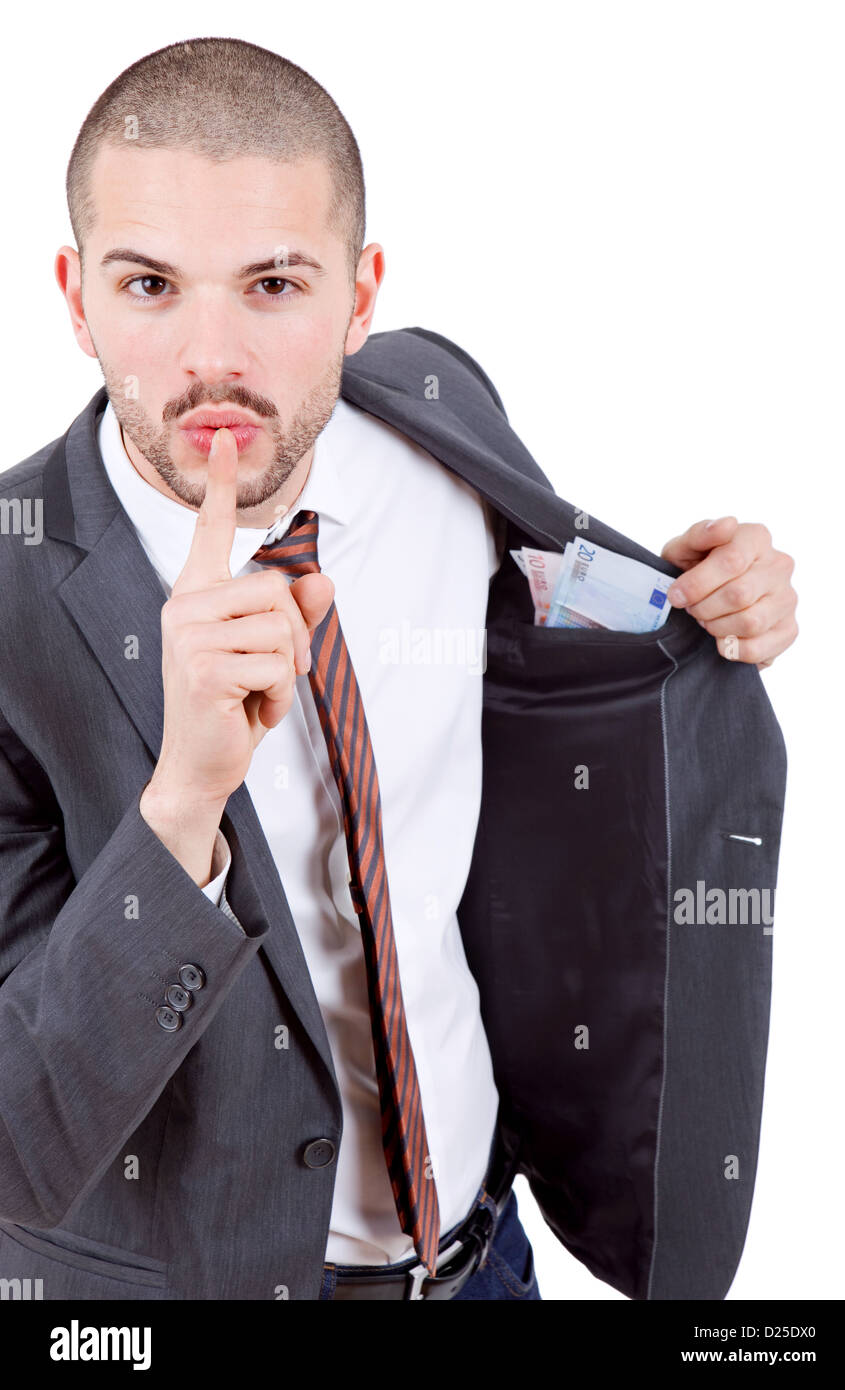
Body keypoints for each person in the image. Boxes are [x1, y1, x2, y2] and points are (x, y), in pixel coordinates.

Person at [0, 37, 797, 1302]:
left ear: (361, 295)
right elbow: (16, 1134)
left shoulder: (436, 414)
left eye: (272, 284)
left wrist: (697, 600)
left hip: (482, 1254)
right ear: (74, 292)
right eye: (150, 284)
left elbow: (550, 610)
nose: (213, 358)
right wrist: (183, 803)